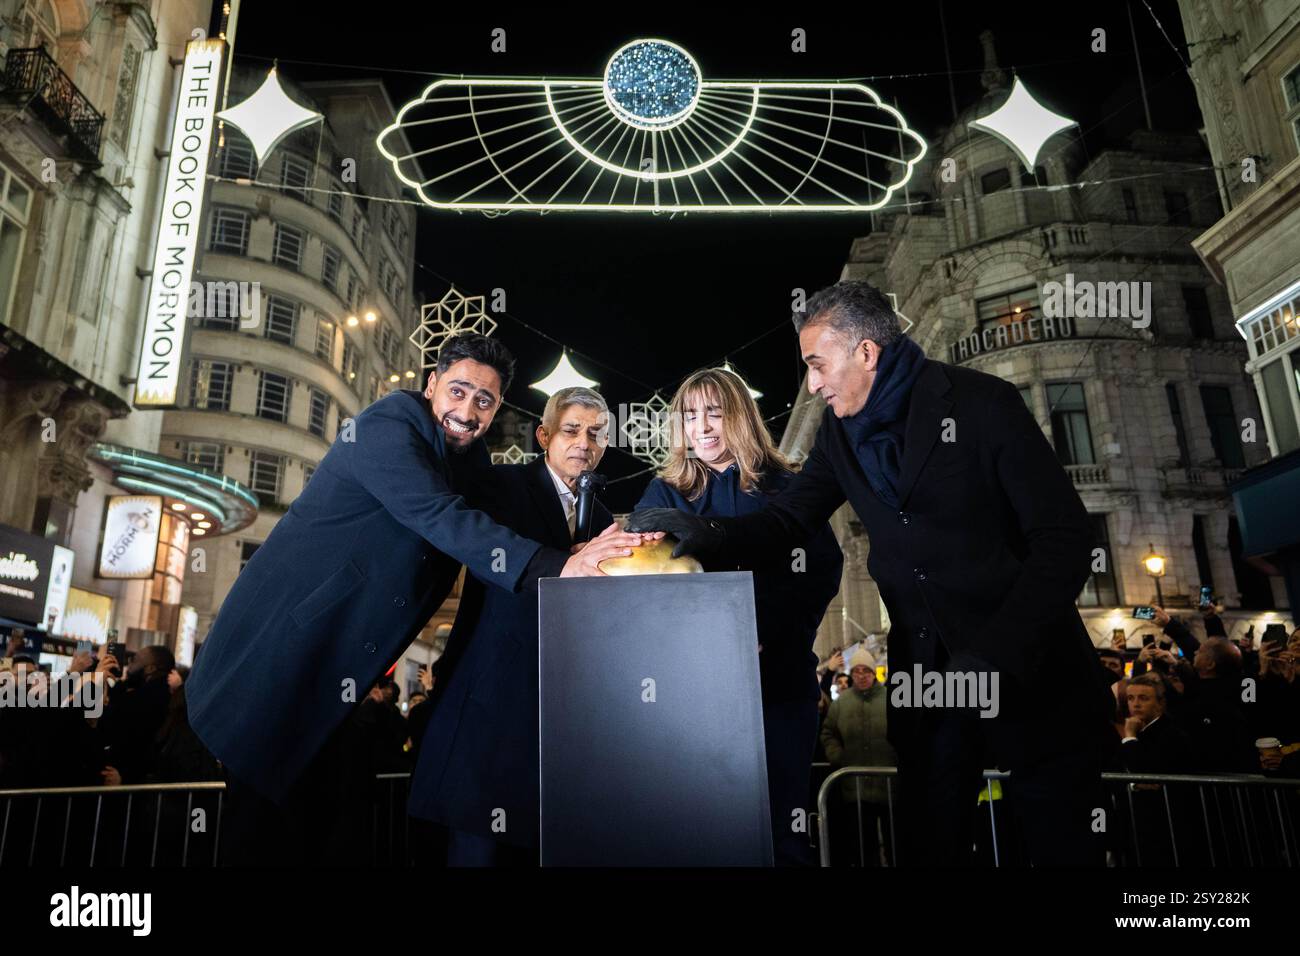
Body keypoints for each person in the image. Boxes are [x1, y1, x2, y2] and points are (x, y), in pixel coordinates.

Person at [629, 280, 1114, 866]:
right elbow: (788, 519)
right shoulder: (839, 433)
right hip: (929, 687)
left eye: (817, 364)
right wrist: (710, 532)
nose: (812, 384)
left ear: (865, 352)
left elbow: (1064, 539)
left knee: (1059, 843)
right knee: (928, 845)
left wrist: (996, 653)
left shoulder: (984, 402)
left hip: (1033, 674)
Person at [186, 334, 653, 865]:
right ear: (431, 385)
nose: (467, 409)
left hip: (340, 682)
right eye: (458, 391)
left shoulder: (470, 461)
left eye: (485, 400)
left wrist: (574, 546)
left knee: (332, 835)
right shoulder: (387, 427)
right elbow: (443, 517)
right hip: (278, 662)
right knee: (257, 835)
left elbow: (503, 514)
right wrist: (559, 565)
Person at [634, 367, 843, 866]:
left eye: (715, 412)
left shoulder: (788, 485)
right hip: (687, 695)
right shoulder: (665, 493)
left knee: (780, 832)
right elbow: (643, 581)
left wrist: (763, 635)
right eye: (690, 416)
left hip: (778, 686)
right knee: (697, 834)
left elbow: (820, 571)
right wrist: (709, 639)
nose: (702, 427)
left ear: (741, 417)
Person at [410, 386, 619, 866]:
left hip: (562, 719)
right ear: (544, 435)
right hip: (489, 702)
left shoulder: (606, 520)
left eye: (596, 434)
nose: (583, 443)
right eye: (571, 430)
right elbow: (487, 559)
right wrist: (563, 562)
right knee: (476, 849)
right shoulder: (501, 486)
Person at [819, 648, 897, 866]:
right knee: (864, 848)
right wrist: (837, 756)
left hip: (890, 787)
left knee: (895, 844)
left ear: (874, 673)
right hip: (856, 788)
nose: (862, 675)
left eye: (866, 671)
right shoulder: (841, 704)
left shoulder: (891, 700)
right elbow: (828, 733)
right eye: (857, 671)